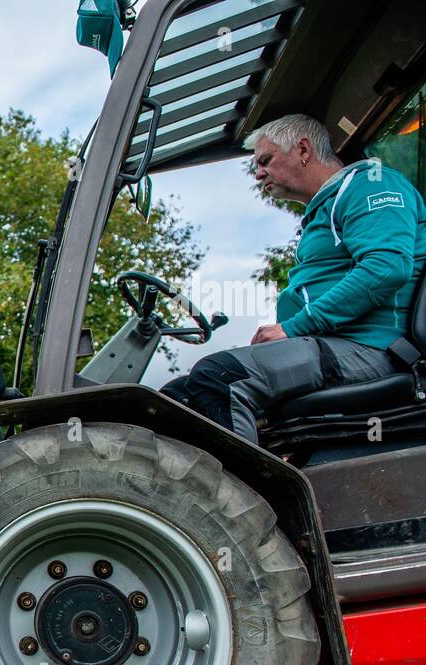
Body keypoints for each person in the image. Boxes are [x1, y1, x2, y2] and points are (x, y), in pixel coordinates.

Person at [160, 114, 426, 443]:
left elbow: (385, 268)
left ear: (303, 149)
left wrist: (292, 328)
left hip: (372, 347)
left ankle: (242, 494)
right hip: (334, 344)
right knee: (174, 398)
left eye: (265, 160)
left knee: (220, 378)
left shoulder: (370, 184)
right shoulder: (324, 210)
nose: (257, 174)